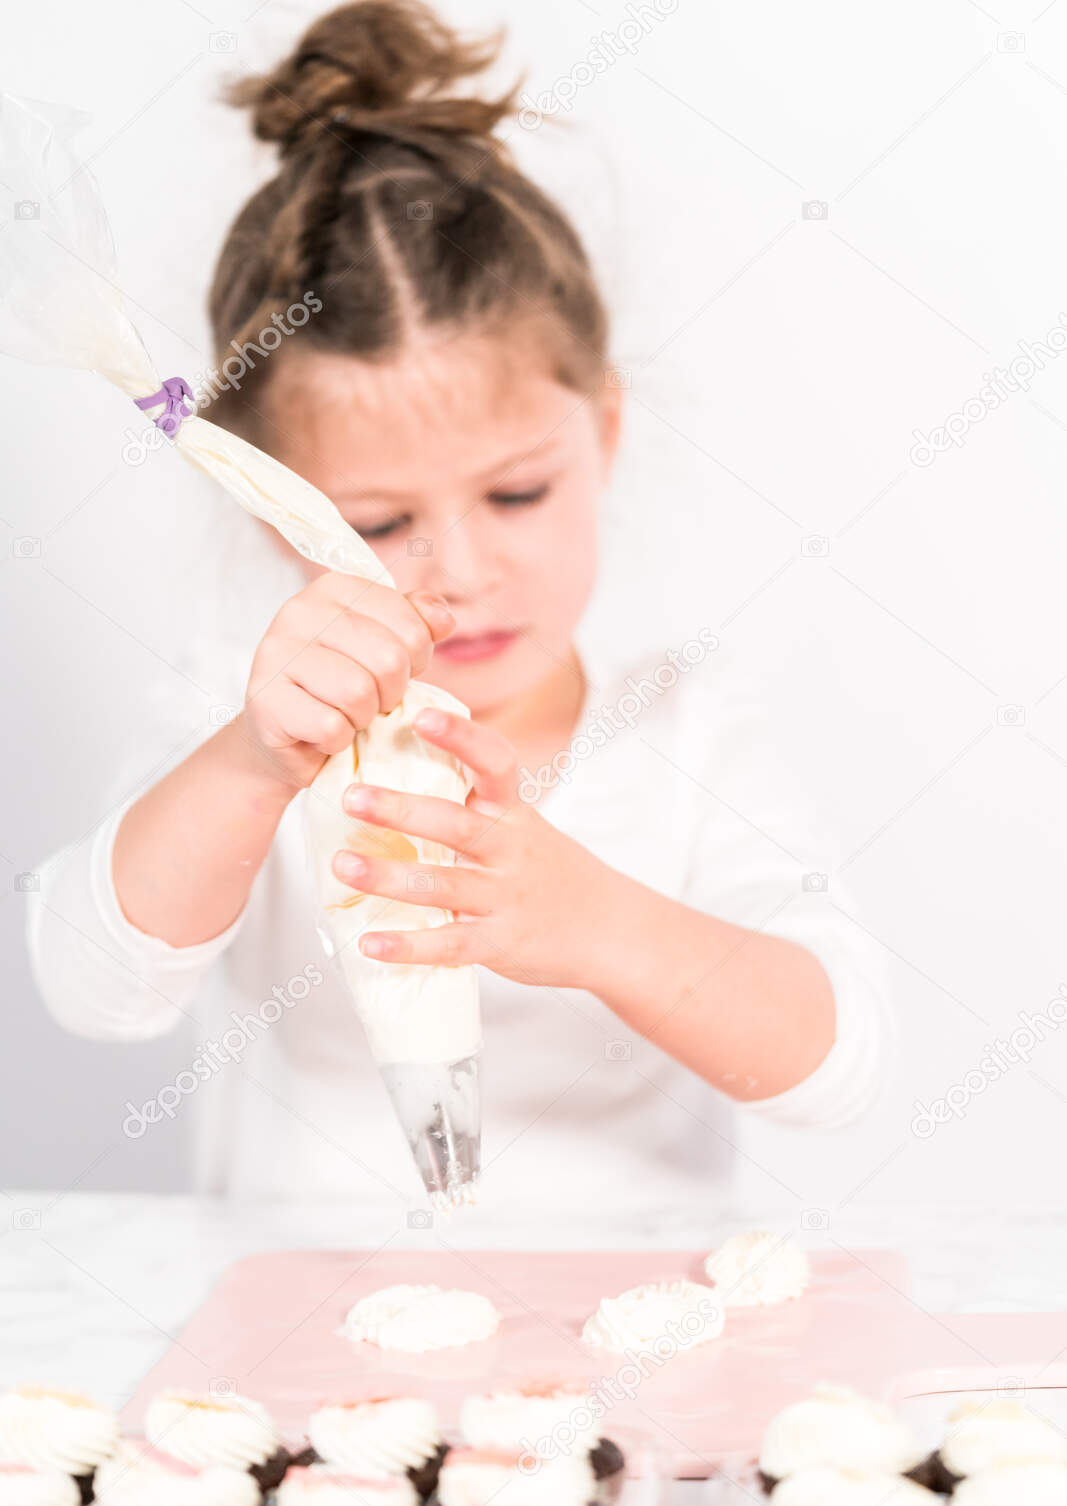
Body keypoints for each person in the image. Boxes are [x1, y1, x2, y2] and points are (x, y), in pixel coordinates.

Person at [29, 1, 887, 1209]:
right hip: (295, 1371)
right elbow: (93, 987)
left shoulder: (679, 729)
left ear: (602, 431)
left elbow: (833, 1063)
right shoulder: (247, 713)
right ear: (275, 510)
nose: (463, 571)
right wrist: (250, 761)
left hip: (628, 1376)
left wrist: (599, 924)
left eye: (518, 492)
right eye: (378, 523)